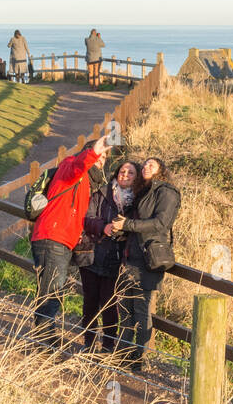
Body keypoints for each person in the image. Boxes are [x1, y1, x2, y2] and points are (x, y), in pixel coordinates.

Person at [29, 136, 107, 348]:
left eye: (104, 158)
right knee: (52, 291)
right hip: (53, 238)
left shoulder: (87, 182)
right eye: (99, 156)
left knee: (52, 289)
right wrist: (94, 151)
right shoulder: (71, 168)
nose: (102, 161)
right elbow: (79, 165)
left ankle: (45, 335)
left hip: (60, 241)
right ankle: (44, 341)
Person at [112, 158, 180, 372]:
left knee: (141, 310)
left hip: (148, 258)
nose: (145, 168)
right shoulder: (143, 191)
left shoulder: (167, 192)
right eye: (144, 165)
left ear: (161, 171)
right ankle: (122, 354)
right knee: (125, 308)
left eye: (151, 165)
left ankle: (138, 358)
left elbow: (161, 223)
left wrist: (128, 225)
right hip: (130, 257)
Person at [78, 159, 138, 354]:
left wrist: (122, 230)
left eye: (130, 173)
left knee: (110, 305)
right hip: (93, 254)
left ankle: (108, 346)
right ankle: (88, 342)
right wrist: (103, 227)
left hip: (117, 259)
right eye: (122, 171)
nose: (125, 175)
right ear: (116, 173)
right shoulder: (102, 193)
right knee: (90, 302)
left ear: (136, 178)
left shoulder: (138, 202)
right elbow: (87, 218)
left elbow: (138, 229)